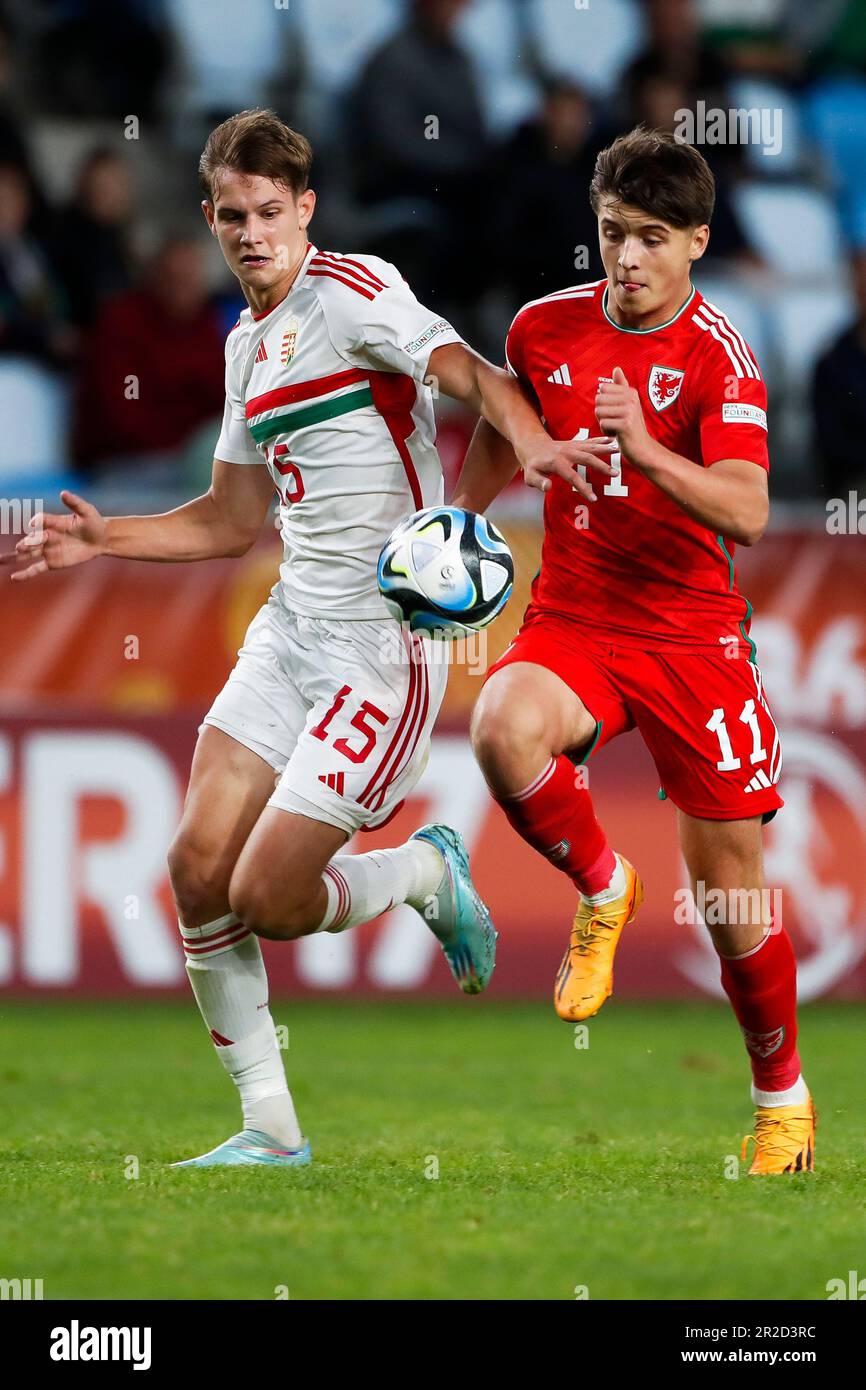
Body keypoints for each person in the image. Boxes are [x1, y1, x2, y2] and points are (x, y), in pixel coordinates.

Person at [3, 108, 611, 1169]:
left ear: (306, 210)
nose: (251, 234)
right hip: (288, 630)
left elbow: (476, 375)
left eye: (270, 213)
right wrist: (105, 540)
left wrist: (533, 446)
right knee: (196, 868)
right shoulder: (244, 347)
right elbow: (229, 520)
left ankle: (421, 872)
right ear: (208, 218)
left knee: (269, 898)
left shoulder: (352, 293)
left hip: (382, 645)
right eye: (232, 216)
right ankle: (270, 1129)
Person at [454, 127, 815, 1176]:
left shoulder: (718, 356)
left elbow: (748, 511)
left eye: (652, 237)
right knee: (501, 729)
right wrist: (459, 522)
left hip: (692, 636)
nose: (626, 256)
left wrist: (647, 452)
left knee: (731, 898)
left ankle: (781, 1101)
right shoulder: (543, 328)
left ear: (696, 241)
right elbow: (502, 419)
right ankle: (604, 886)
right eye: (613, 232)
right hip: (574, 614)